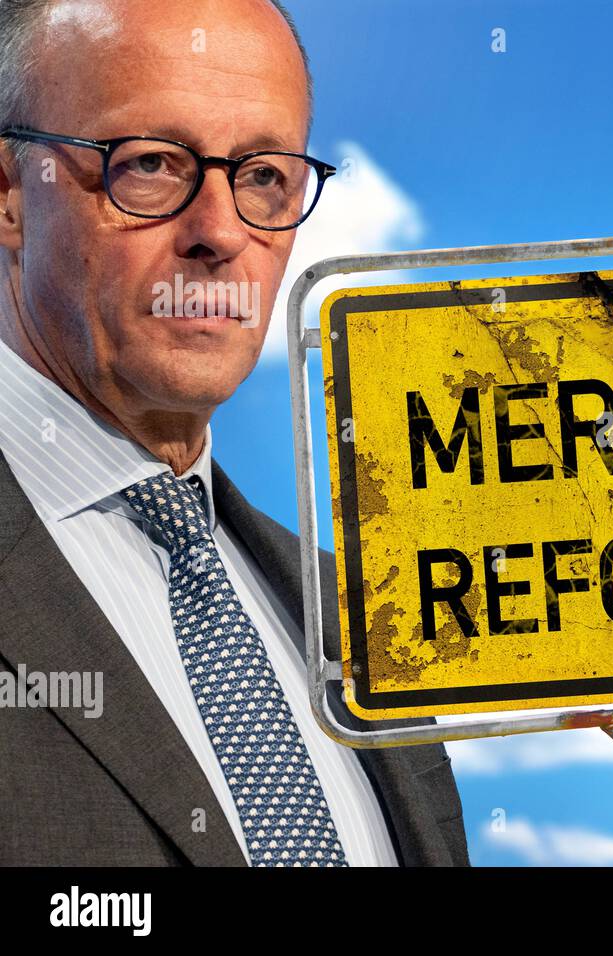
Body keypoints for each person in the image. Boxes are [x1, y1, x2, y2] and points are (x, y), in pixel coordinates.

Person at [0, 0, 468, 866]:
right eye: (149, 163)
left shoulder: (358, 618)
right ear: (9, 195)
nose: (220, 233)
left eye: (263, 177)